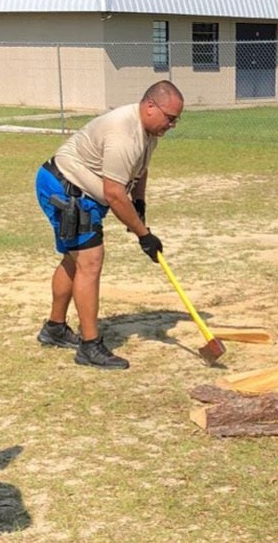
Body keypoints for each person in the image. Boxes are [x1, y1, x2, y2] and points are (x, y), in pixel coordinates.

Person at [34, 81, 184, 369]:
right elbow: (114, 194)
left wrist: (139, 205)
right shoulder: (123, 133)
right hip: (65, 188)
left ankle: (54, 328)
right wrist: (144, 236)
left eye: (176, 119)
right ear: (150, 106)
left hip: (76, 189)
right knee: (90, 262)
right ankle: (90, 347)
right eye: (170, 118)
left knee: (75, 260)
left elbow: (140, 170)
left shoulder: (148, 132)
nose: (172, 125)